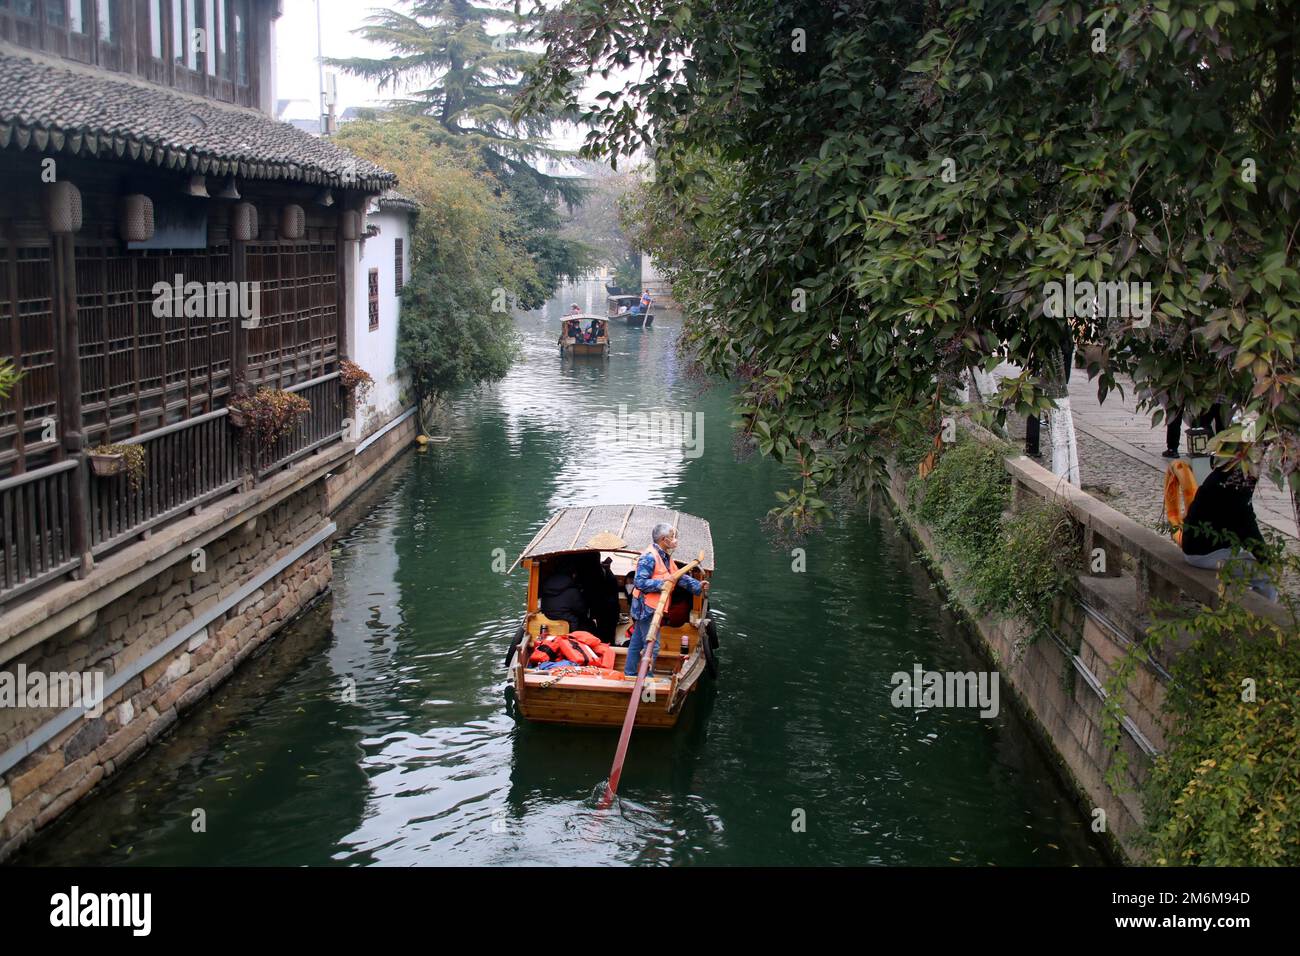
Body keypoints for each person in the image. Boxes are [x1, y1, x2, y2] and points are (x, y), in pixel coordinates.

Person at [1180, 462, 1278, 601]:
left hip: (1198, 547)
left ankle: (1252, 610)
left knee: (1252, 559)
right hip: (1205, 554)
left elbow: (1245, 516)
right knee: (1268, 574)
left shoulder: (1222, 475)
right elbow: (1246, 527)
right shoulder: (1236, 483)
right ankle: (1266, 617)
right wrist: (1266, 559)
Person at [625, 523, 708, 677]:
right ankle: (645, 678)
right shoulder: (649, 557)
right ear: (664, 539)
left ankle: (630, 673)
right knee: (652, 646)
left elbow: (677, 576)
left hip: (655, 606)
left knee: (636, 642)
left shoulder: (664, 556)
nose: (674, 540)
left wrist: (698, 586)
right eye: (672, 537)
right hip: (646, 608)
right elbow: (640, 583)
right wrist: (663, 583)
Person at [540, 561, 598, 633]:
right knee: (590, 625)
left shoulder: (545, 586)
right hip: (569, 625)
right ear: (572, 574)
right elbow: (582, 611)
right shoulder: (572, 591)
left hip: (545, 621)